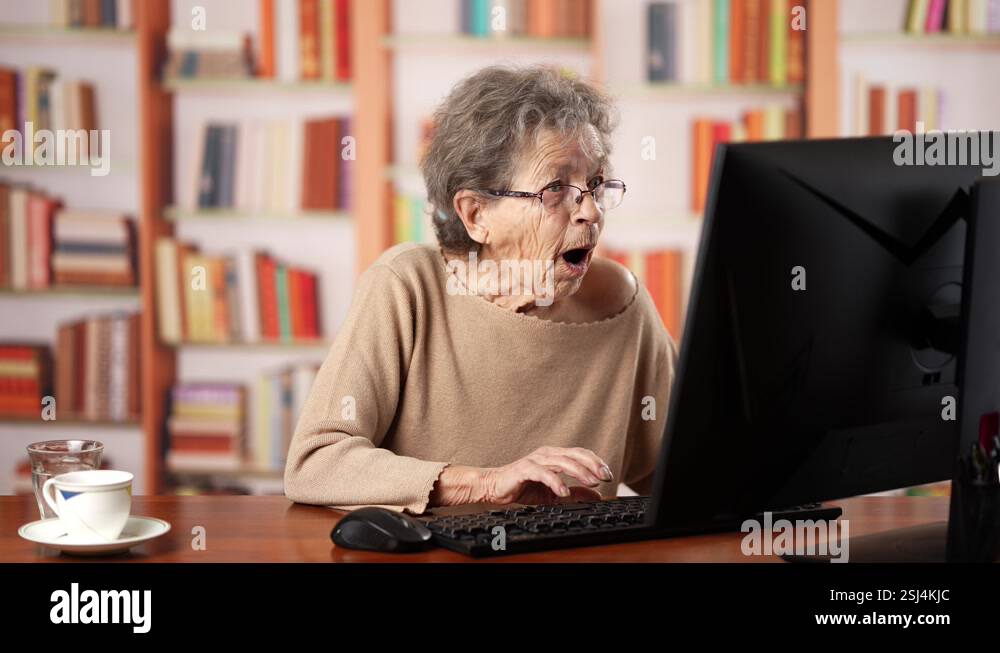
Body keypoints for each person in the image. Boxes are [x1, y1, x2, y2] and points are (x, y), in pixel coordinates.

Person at [284, 65, 678, 513]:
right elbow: (317, 463)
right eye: (556, 189)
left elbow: (686, 471)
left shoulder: (622, 304)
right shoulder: (406, 287)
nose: (590, 211)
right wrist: (486, 484)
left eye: (593, 184)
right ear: (475, 215)